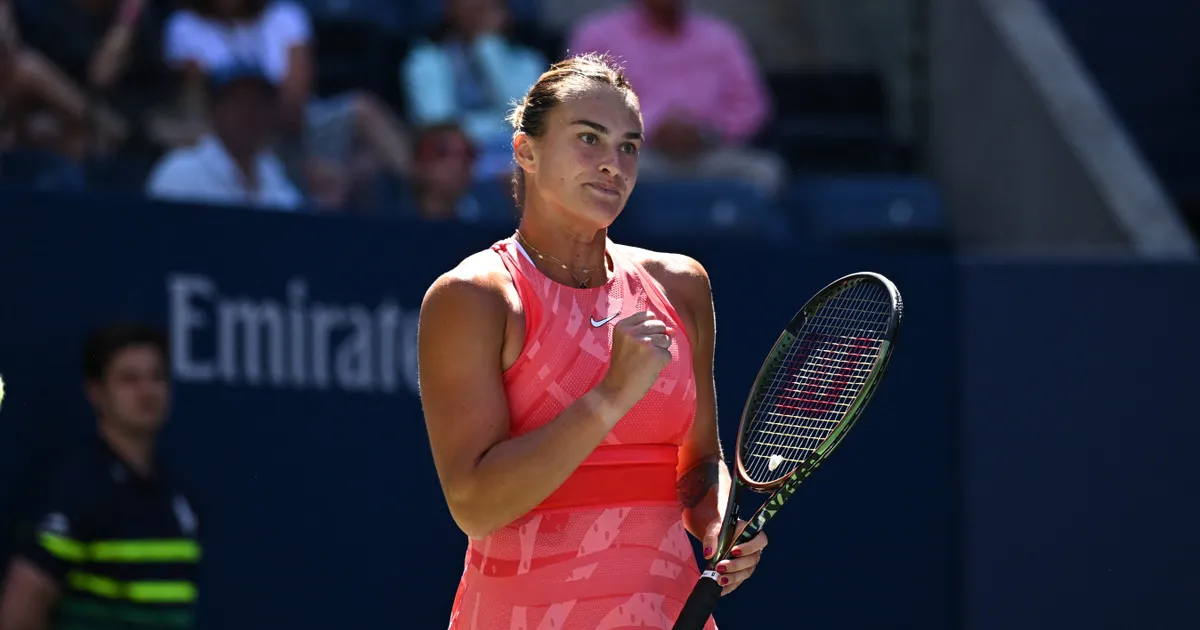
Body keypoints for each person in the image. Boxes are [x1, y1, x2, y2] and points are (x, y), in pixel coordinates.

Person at [417, 53, 767, 629]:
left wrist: (717, 519)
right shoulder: (472, 298)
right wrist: (610, 396)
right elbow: (474, 504)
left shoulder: (680, 285)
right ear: (525, 151)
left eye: (629, 146)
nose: (614, 164)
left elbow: (698, 464)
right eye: (589, 139)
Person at [0, 323, 201, 630]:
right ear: (96, 392)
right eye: (129, 379)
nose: (147, 391)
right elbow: (19, 613)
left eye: (157, 377)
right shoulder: (73, 488)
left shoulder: (181, 498)